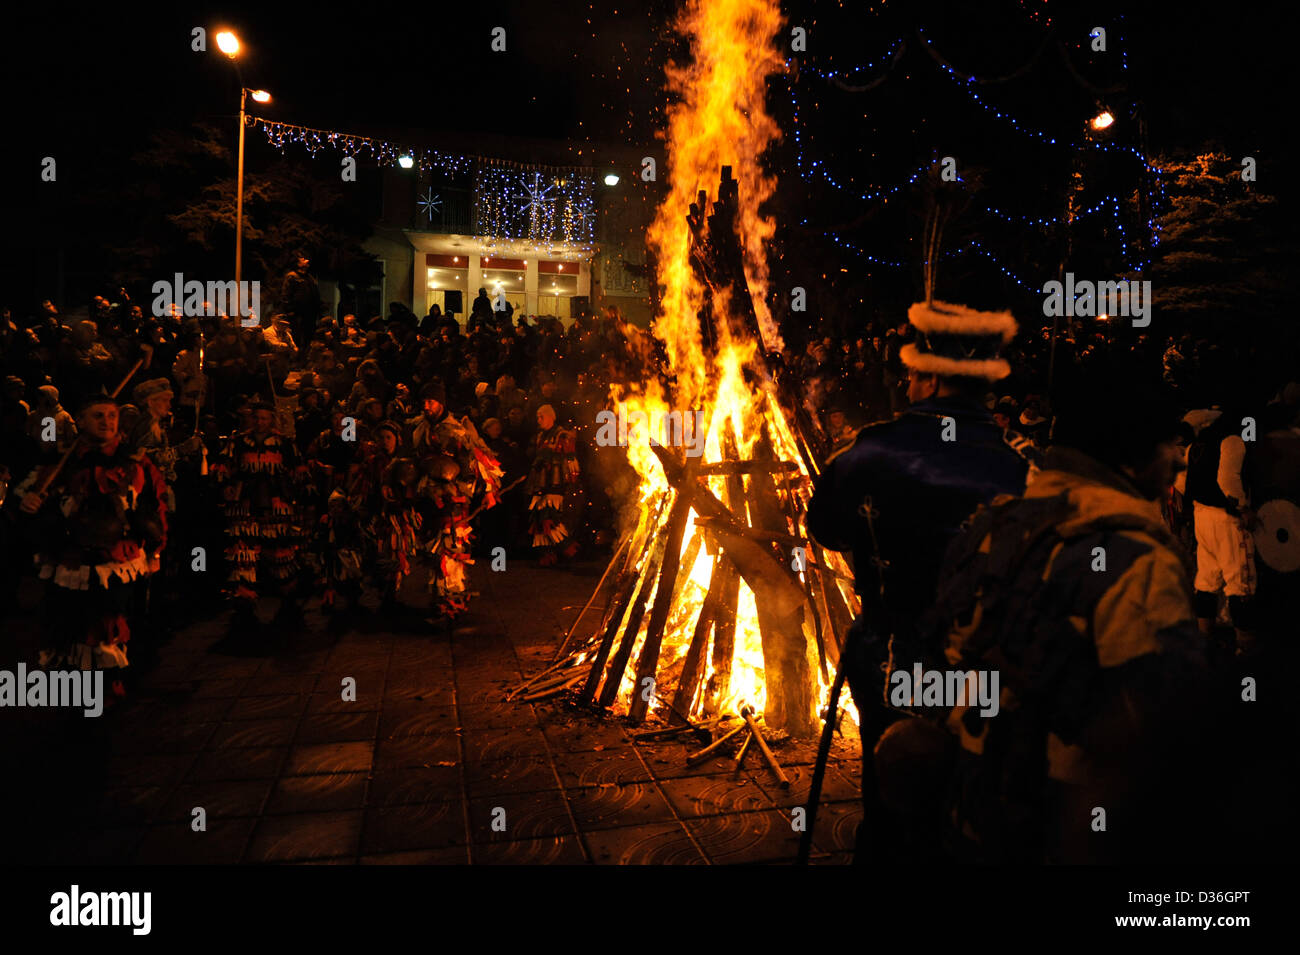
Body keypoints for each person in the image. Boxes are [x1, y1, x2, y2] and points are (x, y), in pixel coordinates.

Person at [892, 359, 1217, 863]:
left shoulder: (991, 525)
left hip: (968, 819)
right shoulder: (1139, 562)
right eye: (1168, 446)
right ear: (1131, 456)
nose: (1178, 461)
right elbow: (1166, 740)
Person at [807, 300, 1030, 863]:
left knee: (892, 784)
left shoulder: (871, 451)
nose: (904, 383)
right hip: (983, 666)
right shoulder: (1023, 467)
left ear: (931, 377)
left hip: (894, 655)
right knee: (967, 779)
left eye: (910, 373)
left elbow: (826, 528)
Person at [13, 394, 169, 699]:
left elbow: (156, 504)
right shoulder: (60, 462)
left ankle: (113, 686)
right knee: (71, 625)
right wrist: (28, 501)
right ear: (81, 420)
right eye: (98, 416)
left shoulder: (135, 462)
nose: (106, 422)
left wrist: (157, 549)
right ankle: (78, 691)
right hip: (71, 558)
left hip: (119, 559)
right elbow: (26, 495)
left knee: (113, 623)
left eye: (111, 416)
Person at [212, 400, 315, 635]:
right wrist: (225, 485)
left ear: (272, 420)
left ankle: (288, 601)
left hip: (276, 504)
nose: (260, 422)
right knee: (243, 555)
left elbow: (299, 470)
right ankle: (244, 607)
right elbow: (221, 467)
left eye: (265, 418)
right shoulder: (237, 442)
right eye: (256, 417)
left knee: (281, 554)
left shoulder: (284, 444)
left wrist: (304, 493)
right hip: (245, 505)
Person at [280, 251, 321, 349]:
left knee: (308, 338)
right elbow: (286, 294)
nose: (307, 261)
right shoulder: (292, 276)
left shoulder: (309, 277)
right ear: (298, 264)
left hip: (309, 314)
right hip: (297, 314)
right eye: (303, 259)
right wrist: (290, 311)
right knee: (298, 338)